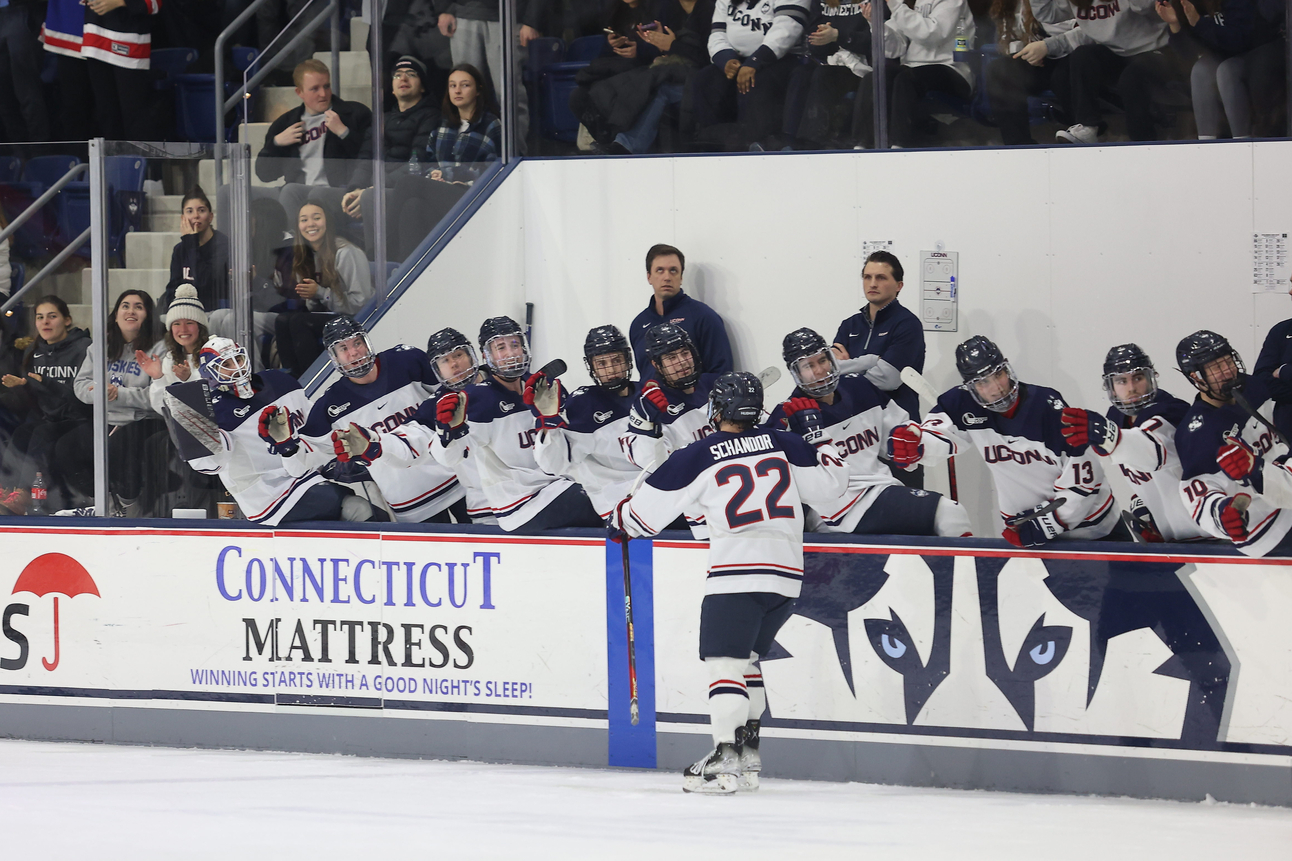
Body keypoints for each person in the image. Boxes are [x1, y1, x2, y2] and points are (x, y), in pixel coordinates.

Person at [609, 371, 848, 794]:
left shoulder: (698, 454)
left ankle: (724, 757)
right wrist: (818, 438)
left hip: (736, 573)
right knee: (747, 662)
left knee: (724, 665)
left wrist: (621, 519)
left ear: (717, 409)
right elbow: (833, 489)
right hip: (787, 577)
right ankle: (748, 754)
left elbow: (640, 520)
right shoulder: (786, 443)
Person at [887, 335, 1122, 545]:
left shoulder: (1047, 407)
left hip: (1092, 529)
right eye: (983, 382)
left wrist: (1049, 523)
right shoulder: (962, 405)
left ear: (1007, 370)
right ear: (970, 387)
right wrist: (916, 445)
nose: (997, 387)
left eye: (998, 374)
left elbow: (1087, 477)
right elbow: (937, 436)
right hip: (1027, 528)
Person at [768, 327, 972, 536]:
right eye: (808, 366)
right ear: (796, 372)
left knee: (944, 521)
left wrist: (909, 445)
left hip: (879, 492)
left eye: (822, 360)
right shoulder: (788, 415)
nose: (819, 370)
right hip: (835, 513)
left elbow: (899, 433)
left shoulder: (860, 388)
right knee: (950, 514)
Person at [178, 337, 383, 524]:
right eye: (226, 365)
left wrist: (331, 457)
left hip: (305, 477)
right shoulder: (215, 411)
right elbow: (209, 465)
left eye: (238, 359)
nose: (237, 368)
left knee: (374, 498)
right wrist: (192, 419)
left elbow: (313, 426)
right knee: (359, 509)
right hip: (269, 497)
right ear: (210, 373)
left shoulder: (279, 381)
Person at [430, 316, 605, 532]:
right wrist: (447, 433)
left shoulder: (545, 388)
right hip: (521, 503)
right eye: (501, 348)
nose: (511, 353)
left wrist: (550, 420)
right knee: (598, 504)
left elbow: (571, 451)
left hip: (559, 486)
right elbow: (451, 457)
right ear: (486, 355)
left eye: (515, 344)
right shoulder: (478, 399)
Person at [303, 315, 468, 523]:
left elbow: (451, 396)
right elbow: (310, 456)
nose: (354, 352)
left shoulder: (408, 360)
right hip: (411, 502)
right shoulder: (329, 406)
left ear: (366, 342)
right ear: (333, 356)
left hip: (458, 478)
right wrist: (340, 467)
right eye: (343, 348)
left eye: (357, 343)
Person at [1059, 343, 1208, 542]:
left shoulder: (1173, 411)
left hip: (1210, 532)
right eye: (1121, 381)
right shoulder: (1116, 418)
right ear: (1111, 387)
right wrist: (1146, 505)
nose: (1131, 388)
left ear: (1151, 377)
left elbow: (1153, 452)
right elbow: (1154, 474)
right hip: (1175, 540)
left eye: (1138, 378)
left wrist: (1108, 437)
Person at [1172, 330, 1292, 557]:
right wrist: (1222, 515)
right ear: (1196, 377)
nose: (1228, 370)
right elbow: (1200, 495)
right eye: (1216, 367)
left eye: (1228, 361)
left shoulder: (1252, 386)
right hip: (1268, 532)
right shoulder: (1197, 433)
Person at [384, 63, 502, 261]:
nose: (457, 90)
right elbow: (429, 162)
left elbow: (495, 170)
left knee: (407, 183)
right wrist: (433, 175)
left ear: (478, 90)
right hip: (444, 193)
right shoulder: (444, 125)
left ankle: (384, 253)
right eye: (452, 85)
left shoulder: (491, 125)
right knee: (413, 206)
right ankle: (403, 267)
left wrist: (456, 177)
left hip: (473, 195)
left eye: (465, 85)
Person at [65, 289, 166, 515]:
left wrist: (119, 394)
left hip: (144, 419)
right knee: (66, 447)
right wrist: (99, 393)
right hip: (107, 417)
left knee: (119, 447)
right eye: (125, 306)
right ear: (116, 314)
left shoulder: (160, 347)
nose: (131, 311)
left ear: (148, 315)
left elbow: (159, 395)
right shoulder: (101, 346)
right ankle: (106, 504)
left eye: (138, 307)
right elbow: (80, 385)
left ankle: (130, 507)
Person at [832, 249, 926, 485]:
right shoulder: (849, 325)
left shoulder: (908, 325)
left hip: (898, 437)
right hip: (855, 438)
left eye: (881, 277)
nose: (872, 283)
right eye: (867, 277)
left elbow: (887, 379)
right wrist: (872, 361)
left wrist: (848, 369)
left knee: (904, 507)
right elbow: (830, 375)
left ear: (899, 285)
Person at [530, 325, 642, 520]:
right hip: (620, 503)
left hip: (657, 491)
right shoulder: (582, 405)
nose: (611, 370)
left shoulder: (646, 394)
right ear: (592, 367)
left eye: (616, 360)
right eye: (602, 363)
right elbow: (554, 465)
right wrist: (548, 423)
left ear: (627, 359)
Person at [1043, 0, 1182, 143]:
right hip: (1118, 52)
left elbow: (1143, 6)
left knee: (1132, 78)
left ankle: (1142, 141)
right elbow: (1046, 14)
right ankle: (1088, 127)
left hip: (1157, 50)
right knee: (1082, 56)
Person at [341, 55, 441, 249]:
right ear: (392, 88)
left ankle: (375, 261)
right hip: (370, 189)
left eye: (411, 74)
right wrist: (355, 188)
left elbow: (416, 164)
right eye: (397, 75)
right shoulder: (381, 119)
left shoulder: (432, 117)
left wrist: (372, 189)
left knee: (370, 198)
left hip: (399, 191)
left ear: (422, 86)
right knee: (306, 193)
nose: (403, 78)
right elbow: (365, 159)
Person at [0, 296, 90, 511]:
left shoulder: (84, 348)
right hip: (50, 417)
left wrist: (48, 383)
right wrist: (21, 387)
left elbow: (83, 398)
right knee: (21, 433)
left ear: (67, 320)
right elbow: (34, 400)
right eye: (40, 317)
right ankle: (7, 489)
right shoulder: (35, 351)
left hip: (80, 418)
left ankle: (26, 494)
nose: (45, 322)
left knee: (42, 433)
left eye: (52, 316)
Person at [256, 59, 374, 221]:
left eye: (326, 86)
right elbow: (264, 174)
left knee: (303, 192)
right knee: (229, 192)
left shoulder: (355, 113)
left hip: (336, 190)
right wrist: (276, 143)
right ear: (299, 92)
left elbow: (369, 158)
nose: (323, 94)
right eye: (315, 89)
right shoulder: (284, 124)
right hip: (296, 190)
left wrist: (344, 132)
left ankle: (293, 236)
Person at [139, 283, 217, 514]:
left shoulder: (215, 351)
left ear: (200, 326)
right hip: (180, 428)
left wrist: (187, 381)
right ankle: (154, 509)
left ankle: (203, 506)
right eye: (176, 323)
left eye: (189, 322)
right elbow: (159, 406)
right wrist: (158, 377)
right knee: (152, 444)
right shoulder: (170, 358)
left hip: (214, 427)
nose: (183, 329)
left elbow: (215, 397)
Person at [691, 0, 811, 149]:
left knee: (753, 81)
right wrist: (726, 60)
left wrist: (755, 61)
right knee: (706, 79)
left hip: (782, 58)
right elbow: (717, 34)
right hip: (739, 59)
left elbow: (787, 30)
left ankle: (755, 144)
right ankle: (710, 145)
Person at [273, 201, 375, 377]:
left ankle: (311, 379)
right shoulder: (304, 256)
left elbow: (361, 303)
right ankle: (293, 380)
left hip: (357, 318)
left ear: (328, 221)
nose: (310, 224)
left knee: (299, 322)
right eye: (304, 220)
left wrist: (320, 293)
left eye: (317, 218)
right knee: (282, 320)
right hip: (331, 315)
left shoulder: (346, 252)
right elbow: (313, 307)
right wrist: (312, 296)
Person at [433, 0, 543, 141]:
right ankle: (468, 146)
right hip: (464, 12)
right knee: (464, 90)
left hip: (508, 15)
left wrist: (531, 20)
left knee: (508, 92)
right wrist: (444, 9)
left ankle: (516, 147)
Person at [1158, 0, 1265, 139]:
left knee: (1227, 71)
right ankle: (1206, 143)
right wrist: (1175, 23)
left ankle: (1242, 142)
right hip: (1222, 54)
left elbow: (1240, 41)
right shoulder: (1188, 3)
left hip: (1254, 53)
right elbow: (1188, 55)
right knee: (1201, 71)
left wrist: (1199, 23)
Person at [877, 0, 976, 148]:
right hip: (914, 68)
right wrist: (876, 24)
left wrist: (897, 7)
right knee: (878, 77)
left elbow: (932, 34)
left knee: (906, 79)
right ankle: (862, 145)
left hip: (952, 69)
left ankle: (899, 146)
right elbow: (894, 49)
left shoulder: (953, 1)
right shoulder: (909, 4)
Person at [629, 243, 732, 380]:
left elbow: (722, 376)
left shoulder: (704, 317)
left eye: (673, 270)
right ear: (649, 277)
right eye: (660, 270)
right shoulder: (638, 325)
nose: (667, 277)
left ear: (681, 277)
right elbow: (645, 376)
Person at [985, 0, 1076, 145]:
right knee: (1001, 70)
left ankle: (1084, 129)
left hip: (1076, 54)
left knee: (1063, 75)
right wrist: (1029, 53)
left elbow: (1082, 31)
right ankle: (1018, 144)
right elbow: (1013, 39)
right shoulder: (1014, 4)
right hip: (1045, 58)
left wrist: (1047, 48)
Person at [79, 0, 162, 140]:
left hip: (130, 43)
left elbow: (154, 4)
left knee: (134, 116)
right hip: (95, 39)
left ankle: (139, 155)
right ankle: (114, 155)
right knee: (107, 116)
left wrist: (120, 2)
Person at [159, 185, 230, 318]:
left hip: (215, 314)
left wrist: (191, 244)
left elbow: (204, 282)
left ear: (210, 216)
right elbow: (173, 288)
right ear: (183, 218)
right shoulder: (180, 249)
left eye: (201, 210)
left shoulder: (224, 245)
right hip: (186, 313)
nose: (196, 216)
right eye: (190, 211)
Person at [0, 0, 49, 142]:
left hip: (21, 12)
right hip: (10, 14)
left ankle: (39, 148)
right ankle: (16, 150)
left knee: (27, 91)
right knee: (4, 94)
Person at [1252, 278, 1292, 444]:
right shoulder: (1281, 331)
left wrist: (1283, 372)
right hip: (1287, 439)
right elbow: (1261, 380)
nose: (1290, 292)